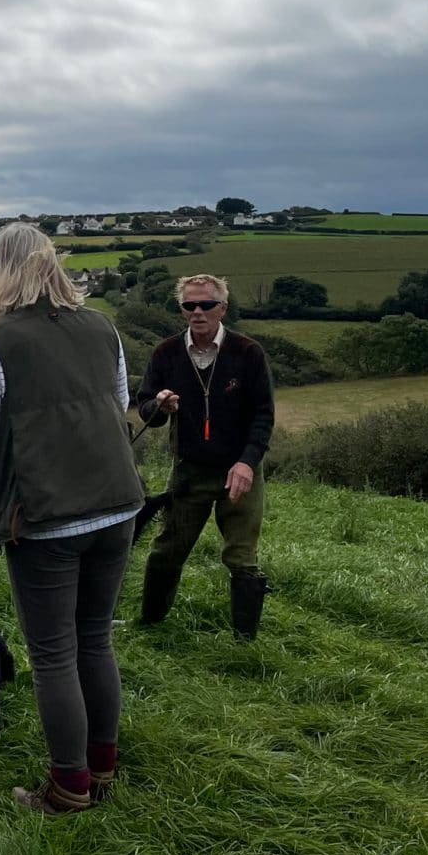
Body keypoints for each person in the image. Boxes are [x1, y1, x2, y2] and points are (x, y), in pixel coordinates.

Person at [0, 222, 144, 815]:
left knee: (54, 654)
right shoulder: (103, 326)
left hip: (47, 514)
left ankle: (68, 788)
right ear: (53, 265)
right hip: (118, 504)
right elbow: (119, 402)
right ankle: (100, 769)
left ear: (0, 271)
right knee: (95, 640)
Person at [135, 273, 274, 639]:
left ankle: (245, 642)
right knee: (167, 550)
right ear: (182, 309)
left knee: (242, 557)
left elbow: (263, 414)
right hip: (189, 470)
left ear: (222, 308)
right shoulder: (165, 352)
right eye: (189, 305)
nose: (197, 311)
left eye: (206, 304)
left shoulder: (248, 352)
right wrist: (159, 405)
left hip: (239, 469)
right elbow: (145, 407)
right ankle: (150, 625)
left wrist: (247, 462)